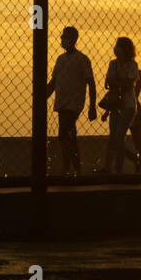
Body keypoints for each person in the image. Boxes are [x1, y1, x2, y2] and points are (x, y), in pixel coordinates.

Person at [45, 26, 96, 176]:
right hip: (62, 102)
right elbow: (53, 82)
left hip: (74, 103)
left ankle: (68, 167)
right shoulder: (60, 59)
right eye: (62, 37)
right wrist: (43, 96)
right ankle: (74, 167)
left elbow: (91, 82)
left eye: (65, 37)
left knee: (64, 133)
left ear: (73, 39)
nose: (62, 40)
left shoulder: (82, 59)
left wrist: (92, 106)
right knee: (69, 134)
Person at [103, 36, 141, 175]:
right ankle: (108, 167)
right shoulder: (113, 64)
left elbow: (129, 84)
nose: (115, 49)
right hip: (115, 104)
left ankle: (118, 169)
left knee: (119, 137)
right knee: (113, 137)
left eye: (117, 46)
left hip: (128, 105)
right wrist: (121, 82)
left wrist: (117, 82)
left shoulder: (132, 65)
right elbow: (109, 82)